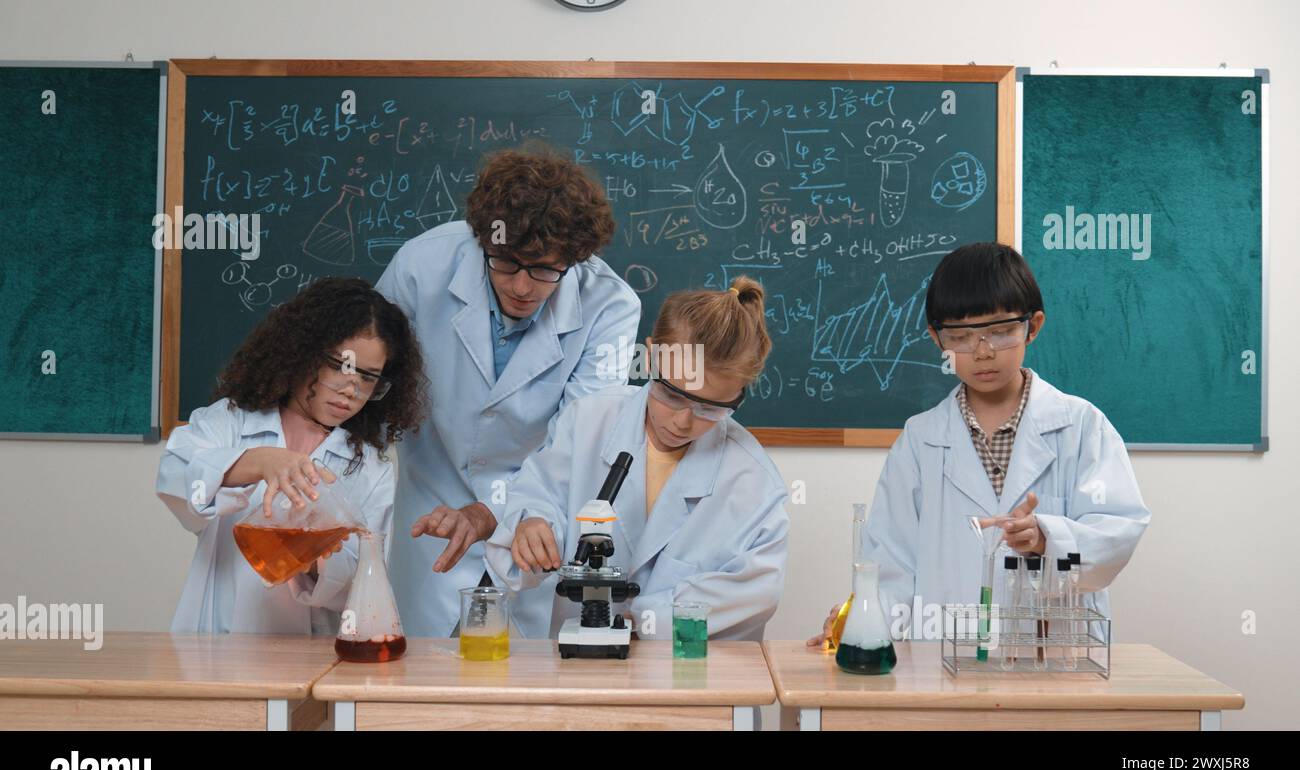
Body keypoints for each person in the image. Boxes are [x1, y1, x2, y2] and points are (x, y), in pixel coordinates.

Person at [807, 242, 1150, 645]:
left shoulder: (1081, 427)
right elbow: (892, 563)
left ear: (1032, 326)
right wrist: (860, 622)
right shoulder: (920, 441)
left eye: (1000, 331)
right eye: (961, 336)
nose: (983, 351)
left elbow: (1117, 535)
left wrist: (1048, 539)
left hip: (1056, 658)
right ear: (937, 339)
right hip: (943, 656)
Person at [376, 144, 641, 637]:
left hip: (534, 519)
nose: (521, 286)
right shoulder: (422, 266)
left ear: (575, 258)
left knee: (524, 700)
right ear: (483, 242)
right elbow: (368, 379)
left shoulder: (610, 307)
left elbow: (579, 438)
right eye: (505, 262)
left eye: (543, 269)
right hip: (431, 512)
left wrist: (496, 511)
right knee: (418, 697)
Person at [486, 276, 789, 640]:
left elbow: (755, 592)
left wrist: (643, 619)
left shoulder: (753, 483)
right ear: (651, 355)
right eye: (672, 394)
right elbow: (539, 496)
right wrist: (534, 525)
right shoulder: (587, 421)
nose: (683, 421)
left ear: (738, 396)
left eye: (710, 408)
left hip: (689, 681)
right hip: (580, 676)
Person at [157, 277, 428, 633]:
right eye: (341, 366)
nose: (352, 389)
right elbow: (174, 476)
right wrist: (257, 461)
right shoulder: (232, 420)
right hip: (215, 640)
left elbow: (363, 578)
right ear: (302, 352)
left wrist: (315, 554)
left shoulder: (369, 467)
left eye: (368, 377)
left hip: (307, 657)